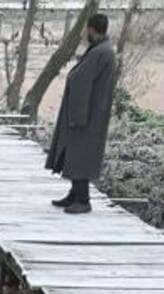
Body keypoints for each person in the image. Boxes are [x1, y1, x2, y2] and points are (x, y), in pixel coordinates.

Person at [46, 13, 119, 215]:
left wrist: (77, 116)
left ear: (91, 29)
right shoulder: (102, 49)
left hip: (87, 114)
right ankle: (74, 194)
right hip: (90, 110)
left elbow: (80, 81)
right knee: (76, 154)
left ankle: (83, 200)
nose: (86, 32)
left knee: (80, 155)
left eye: (87, 29)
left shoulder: (101, 52)